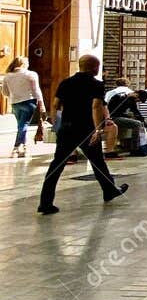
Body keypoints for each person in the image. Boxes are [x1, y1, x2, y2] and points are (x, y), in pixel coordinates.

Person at [38, 54, 128, 215]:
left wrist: (57, 125)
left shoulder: (66, 82)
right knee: (97, 161)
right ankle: (109, 190)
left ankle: (45, 202)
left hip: (67, 128)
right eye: (98, 67)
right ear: (93, 67)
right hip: (86, 128)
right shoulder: (96, 84)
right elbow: (96, 107)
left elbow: (55, 104)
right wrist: (97, 129)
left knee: (57, 164)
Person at [2, 56, 45, 158]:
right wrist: (42, 105)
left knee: (21, 125)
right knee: (23, 125)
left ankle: (24, 147)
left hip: (15, 103)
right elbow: (37, 91)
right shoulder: (31, 74)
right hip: (29, 102)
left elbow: (4, 92)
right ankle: (16, 148)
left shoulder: (7, 76)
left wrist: (14, 95)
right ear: (24, 64)